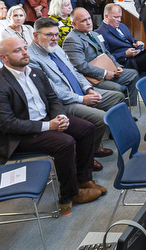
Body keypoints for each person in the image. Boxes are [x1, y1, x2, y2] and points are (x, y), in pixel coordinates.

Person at [0, 37, 103, 215]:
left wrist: (59, 117)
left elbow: (53, 98)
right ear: (4, 58)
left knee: (86, 128)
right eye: (17, 50)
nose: (25, 52)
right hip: (20, 136)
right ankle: (69, 195)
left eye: (25, 48)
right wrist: (50, 126)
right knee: (65, 142)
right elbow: (8, 124)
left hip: (46, 119)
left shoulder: (35, 72)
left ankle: (83, 179)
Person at [29, 18, 124, 161]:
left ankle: (95, 145)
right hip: (63, 103)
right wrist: (82, 99)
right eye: (49, 35)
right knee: (99, 118)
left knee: (117, 97)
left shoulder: (56, 48)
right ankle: (86, 156)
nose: (54, 38)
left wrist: (88, 89)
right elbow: (52, 90)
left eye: (56, 34)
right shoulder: (31, 58)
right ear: (35, 36)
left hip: (80, 92)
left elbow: (74, 71)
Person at [63, 7, 139, 106]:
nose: (89, 22)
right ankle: (119, 113)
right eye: (84, 20)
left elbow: (107, 53)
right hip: (92, 78)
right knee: (117, 88)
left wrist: (117, 67)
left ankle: (129, 108)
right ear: (74, 24)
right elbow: (80, 66)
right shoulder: (72, 40)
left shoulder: (94, 34)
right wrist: (104, 73)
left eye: (89, 18)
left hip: (108, 70)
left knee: (133, 74)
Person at [99, 3, 146, 75]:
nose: (119, 20)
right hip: (126, 62)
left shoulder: (122, 26)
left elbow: (132, 41)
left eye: (120, 17)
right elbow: (106, 58)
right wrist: (125, 54)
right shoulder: (100, 33)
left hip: (136, 54)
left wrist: (137, 43)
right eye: (116, 17)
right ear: (106, 16)